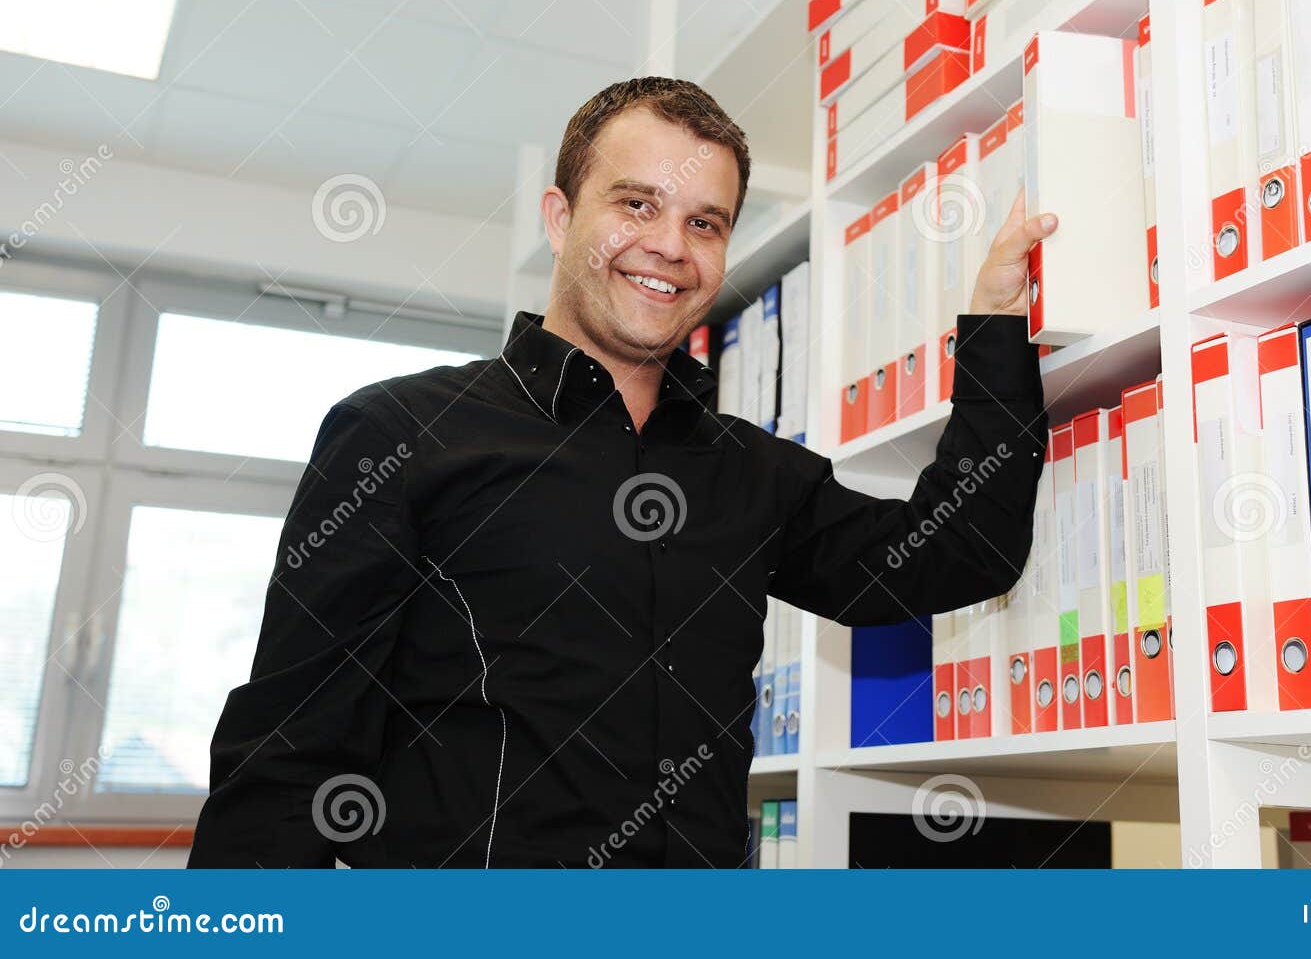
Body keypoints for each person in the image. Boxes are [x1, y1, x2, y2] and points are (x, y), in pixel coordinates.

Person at [188, 77, 1055, 867]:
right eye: (637, 204)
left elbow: (961, 553)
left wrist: (992, 326)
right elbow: (285, 760)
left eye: (704, 222)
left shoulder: (750, 471)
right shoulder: (401, 433)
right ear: (561, 218)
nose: (669, 245)